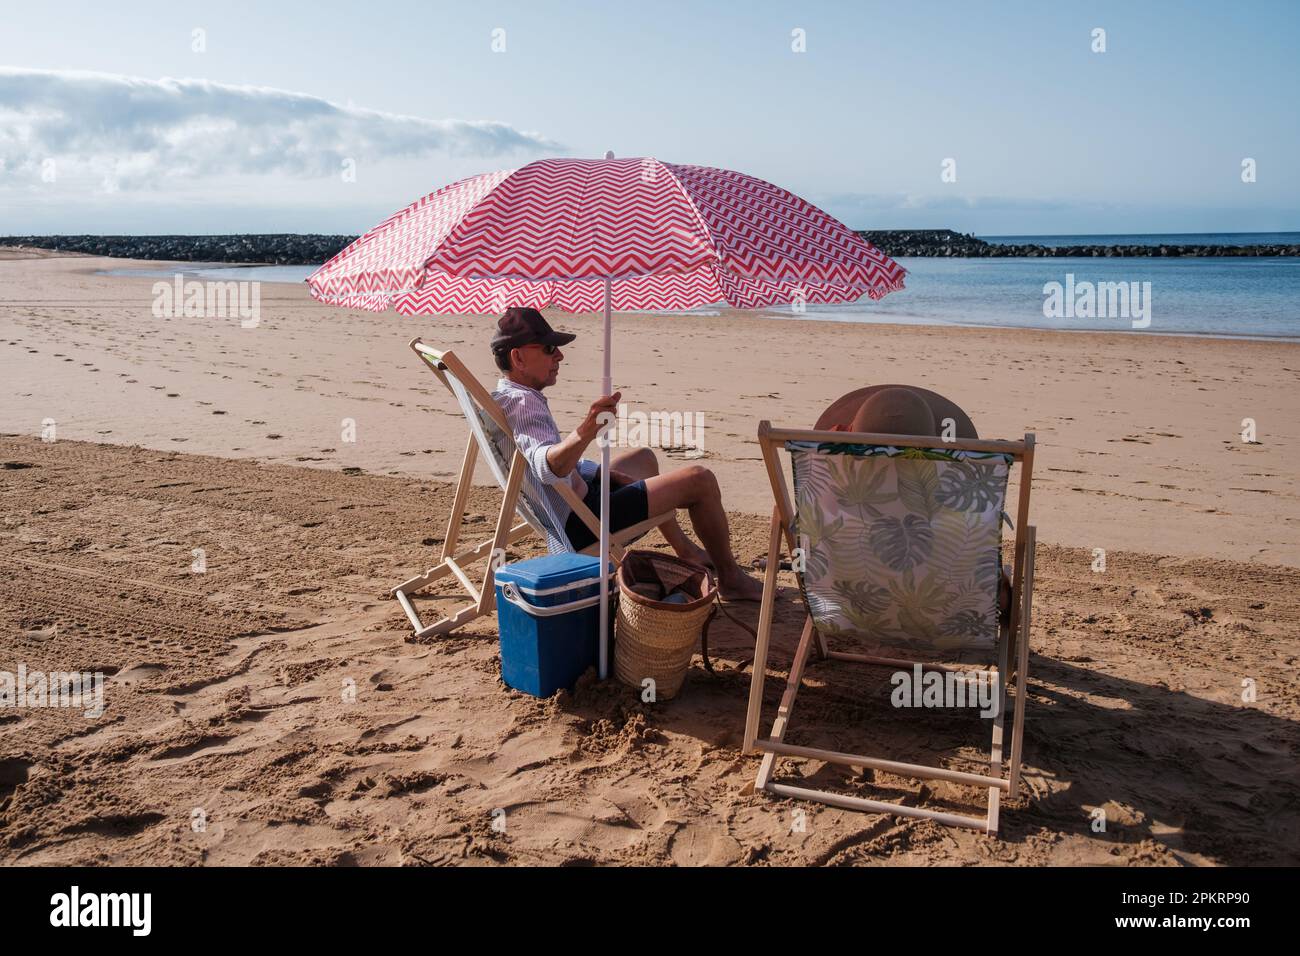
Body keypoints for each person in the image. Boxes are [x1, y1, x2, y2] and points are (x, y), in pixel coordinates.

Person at [489, 307, 763, 602]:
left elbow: (540, 465)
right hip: (583, 523)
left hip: (570, 502)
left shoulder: (506, 396)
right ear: (518, 358)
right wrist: (586, 430)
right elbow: (548, 465)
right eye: (549, 348)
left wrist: (598, 473)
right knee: (700, 480)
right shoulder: (523, 404)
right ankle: (732, 580)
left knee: (644, 458)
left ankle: (687, 550)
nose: (559, 356)